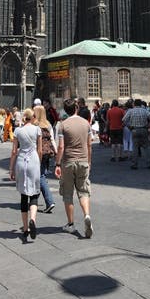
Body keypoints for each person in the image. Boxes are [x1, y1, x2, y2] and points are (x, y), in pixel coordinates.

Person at [55, 98, 93, 237]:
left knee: (67, 193)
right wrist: (89, 161)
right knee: (83, 191)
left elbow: (61, 146)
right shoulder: (86, 124)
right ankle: (87, 215)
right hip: (83, 161)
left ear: (65, 110)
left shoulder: (62, 125)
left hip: (68, 162)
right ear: (76, 108)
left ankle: (71, 224)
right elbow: (89, 145)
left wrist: (57, 163)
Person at [9, 108, 42, 241]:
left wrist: (11, 169)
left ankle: (25, 227)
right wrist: (38, 163)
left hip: (22, 161)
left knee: (24, 194)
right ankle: (33, 219)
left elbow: (13, 151)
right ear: (33, 117)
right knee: (34, 193)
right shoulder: (37, 129)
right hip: (33, 160)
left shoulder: (18, 130)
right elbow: (39, 150)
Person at [33, 104, 56, 213]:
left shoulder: (35, 125)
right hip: (47, 153)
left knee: (40, 176)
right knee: (41, 175)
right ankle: (34, 201)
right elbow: (52, 139)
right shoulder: (48, 124)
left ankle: (49, 201)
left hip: (38, 153)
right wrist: (55, 152)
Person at [122, 99, 150, 170]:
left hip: (134, 130)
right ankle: (149, 163)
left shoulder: (131, 111)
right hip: (144, 129)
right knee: (146, 147)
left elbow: (124, 120)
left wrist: (129, 126)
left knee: (135, 147)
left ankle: (134, 164)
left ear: (134, 104)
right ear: (140, 104)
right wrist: (148, 125)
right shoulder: (144, 110)